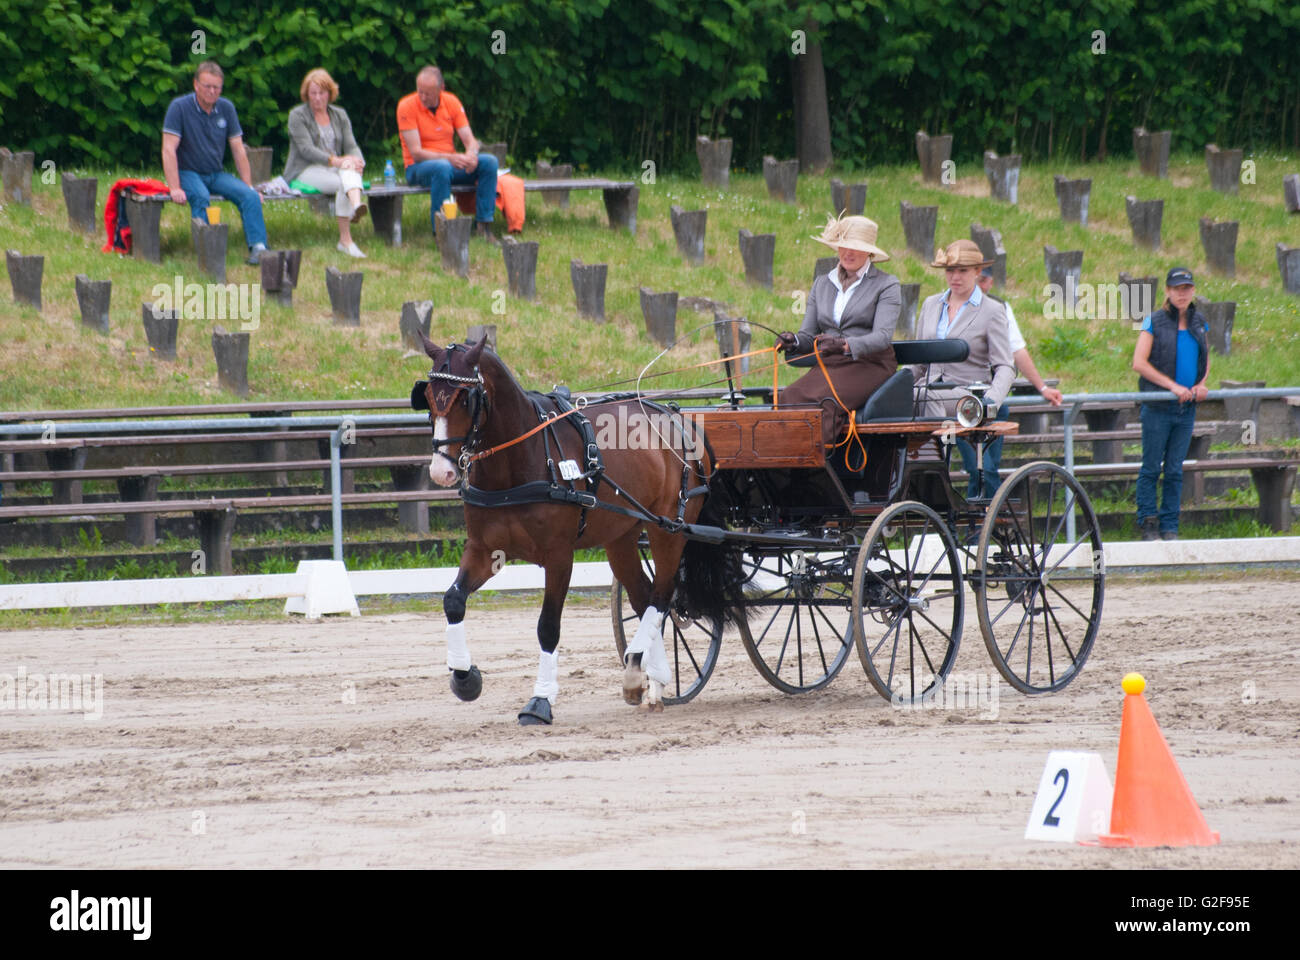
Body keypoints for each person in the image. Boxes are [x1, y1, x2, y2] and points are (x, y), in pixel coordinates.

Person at [774, 214, 900, 446]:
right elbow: (808, 334)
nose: (848, 253)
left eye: (856, 248)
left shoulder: (887, 284)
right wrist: (793, 341)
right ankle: (787, 462)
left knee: (824, 402)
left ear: (869, 252)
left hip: (870, 364)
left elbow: (882, 337)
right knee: (788, 396)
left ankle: (816, 469)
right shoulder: (822, 283)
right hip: (830, 365)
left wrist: (845, 345)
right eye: (844, 246)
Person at [911, 239, 1016, 495]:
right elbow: (918, 361)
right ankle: (915, 477)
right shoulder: (930, 305)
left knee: (923, 398)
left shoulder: (992, 310)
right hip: (926, 391)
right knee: (907, 398)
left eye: (962, 271)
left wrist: (989, 401)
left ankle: (932, 475)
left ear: (978, 272)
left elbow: (1005, 365)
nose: (954, 277)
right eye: (950, 271)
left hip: (967, 397)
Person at [954, 266, 1065, 499]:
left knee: (987, 468)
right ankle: (993, 517)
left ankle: (985, 521)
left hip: (993, 399)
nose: (980, 285)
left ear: (989, 281)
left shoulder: (999, 308)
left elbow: (1017, 350)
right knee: (978, 468)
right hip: (961, 401)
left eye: (984, 279)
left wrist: (1042, 387)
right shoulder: (949, 307)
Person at [161, 61, 269, 266]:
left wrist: (248, 184)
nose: (212, 91)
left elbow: (238, 149)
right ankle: (208, 252)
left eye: (216, 87)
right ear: (196, 85)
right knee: (200, 197)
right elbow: (168, 149)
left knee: (250, 196)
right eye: (207, 86)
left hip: (215, 173)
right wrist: (174, 187)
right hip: (187, 172)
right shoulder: (179, 108)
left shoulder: (226, 108)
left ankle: (259, 247)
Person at [1131, 267, 1210, 541]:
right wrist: (1172, 386)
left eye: (1187, 288)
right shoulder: (1153, 321)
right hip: (1157, 407)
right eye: (1177, 288)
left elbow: (1204, 359)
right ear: (1167, 291)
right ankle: (1148, 522)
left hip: (1186, 408)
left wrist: (1200, 384)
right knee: (1151, 466)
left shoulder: (1199, 321)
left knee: (1175, 469)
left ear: (1193, 291)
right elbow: (1138, 363)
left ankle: (1170, 525)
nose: (1182, 293)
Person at [397, 65, 499, 243]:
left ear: (441, 89)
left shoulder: (451, 102)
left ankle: (483, 226)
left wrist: (471, 156)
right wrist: (450, 158)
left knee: (489, 162)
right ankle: (442, 232)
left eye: (428, 93)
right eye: (419, 91)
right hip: (417, 168)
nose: (422, 97)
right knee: (442, 167)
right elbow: (416, 153)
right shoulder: (406, 106)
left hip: (448, 165)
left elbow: (470, 140)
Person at [283, 68, 368, 258]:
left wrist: (357, 161)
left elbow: (351, 145)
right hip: (305, 169)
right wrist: (337, 161)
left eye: (321, 93)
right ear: (307, 94)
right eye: (313, 93)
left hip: (334, 167)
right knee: (343, 183)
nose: (317, 98)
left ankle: (355, 207)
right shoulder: (297, 115)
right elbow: (306, 149)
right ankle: (346, 240)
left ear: (330, 93)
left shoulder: (340, 114)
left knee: (350, 171)